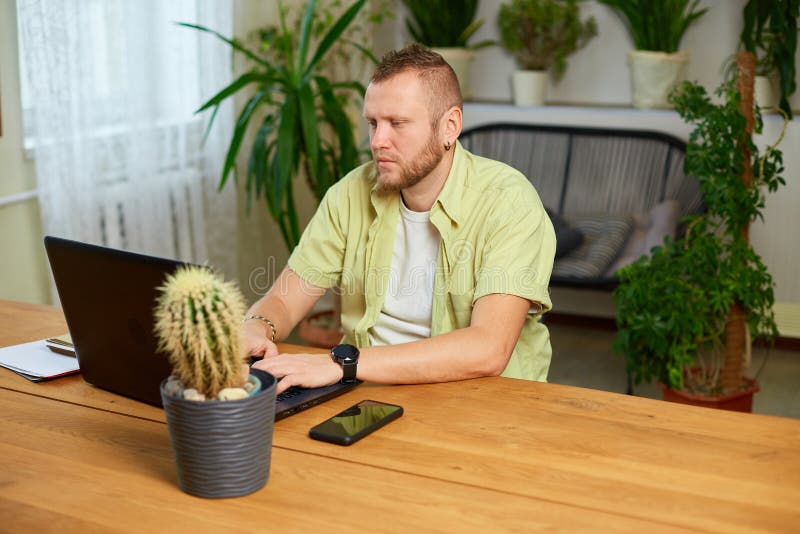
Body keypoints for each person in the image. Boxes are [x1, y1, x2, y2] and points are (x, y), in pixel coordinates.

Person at [243, 44, 556, 394]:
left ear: (449, 126)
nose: (378, 141)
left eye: (398, 123)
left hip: (480, 402)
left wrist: (342, 363)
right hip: (365, 393)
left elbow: (488, 348)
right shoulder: (350, 193)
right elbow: (285, 299)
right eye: (373, 123)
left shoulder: (509, 201)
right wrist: (256, 328)